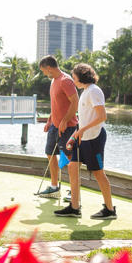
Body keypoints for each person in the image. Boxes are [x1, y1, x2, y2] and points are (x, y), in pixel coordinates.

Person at [54, 62, 117, 220]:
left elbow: (102, 117)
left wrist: (81, 130)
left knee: (98, 173)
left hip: (94, 139)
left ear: (82, 77)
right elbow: (85, 118)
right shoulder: (86, 91)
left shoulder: (94, 91)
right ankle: (74, 208)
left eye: (74, 78)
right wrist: (75, 135)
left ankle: (110, 210)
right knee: (72, 167)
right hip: (82, 138)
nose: (73, 81)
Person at [36, 55, 78, 198]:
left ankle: (74, 192)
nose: (44, 74)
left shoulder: (65, 81)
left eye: (43, 71)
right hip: (55, 126)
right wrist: (49, 120)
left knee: (71, 160)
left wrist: (65, 121)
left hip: (68, 127)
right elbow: (56, 105)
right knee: (50, 153)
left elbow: (75, 102)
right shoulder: (54, 81)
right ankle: (54, 187)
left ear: (49, 68)